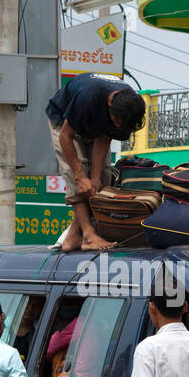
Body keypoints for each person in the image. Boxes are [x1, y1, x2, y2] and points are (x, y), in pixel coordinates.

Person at [46, 72, 147, 253]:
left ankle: (73, 238)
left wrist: (94, 178)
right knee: (78, 176)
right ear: (109, 105)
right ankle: (88, 234)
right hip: (64, 122)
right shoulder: (88, 96)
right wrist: (80, 177)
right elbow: (66, 136)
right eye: (116, 122)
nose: (118, 127)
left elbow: (104, 138)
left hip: (94, 128)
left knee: (102, 180)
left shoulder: (128, 110)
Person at [11, 295, 46, 364]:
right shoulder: (3, 326)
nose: (30, 308)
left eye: (36, 305)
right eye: (27, 302)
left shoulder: (42, 332)